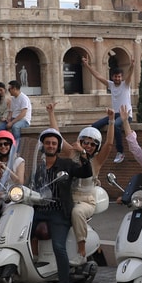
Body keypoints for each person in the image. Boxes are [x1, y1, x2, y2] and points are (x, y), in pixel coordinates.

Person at [29, 127, 93, 283]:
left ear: (57, 147)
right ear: (43, 145)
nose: (50, 145)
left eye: (53, 143)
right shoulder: (38, 167)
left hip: (58, 213)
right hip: (39, 211)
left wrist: (83, 155)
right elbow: (30, 185)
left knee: (59, 246)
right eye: (47, 143)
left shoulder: (66, 165)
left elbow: (85, 172)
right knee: (17, 234)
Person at [47, 103, 116, 264]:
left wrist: (111, 121)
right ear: (80, 142)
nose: (88, 146)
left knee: (77, 212)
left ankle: (81, 248)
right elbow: (57, 136)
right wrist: (51, 113)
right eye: (85, 142)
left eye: (92, 144)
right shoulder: (72, 153)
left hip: (86, 201)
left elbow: (110, 144)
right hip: (68, 199)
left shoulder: (97, 161)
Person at [80, 52, 135, 163]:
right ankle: (95, 149)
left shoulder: (125, 84)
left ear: (121, 77)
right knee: (94, 127)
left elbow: (129, 74)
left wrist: (132, 65)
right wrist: (87, 65)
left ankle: (120, 152)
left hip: (126, 115)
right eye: (115, 77)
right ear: (112, 77)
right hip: (115, 114)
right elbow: (97, 76)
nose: (117, 79)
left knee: (116, 126)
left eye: (119, 77)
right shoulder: (110, 84)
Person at [0, 129, 25, 200]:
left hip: (13, 197)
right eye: (0, 145)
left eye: (6, 144)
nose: (3, 146)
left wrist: (5, 168)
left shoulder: (18, 161)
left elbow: (20, 182)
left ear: (11, 145)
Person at [0, 80, 32, 146]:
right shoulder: (13, 98)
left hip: (23, 120)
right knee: (0, 127)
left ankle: (16, 149)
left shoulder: (24, 98)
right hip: (14, 119)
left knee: (15, 127)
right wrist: (8, 118)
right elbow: (11, 111)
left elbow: (23, 113)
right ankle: (5, 144)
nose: (8, 91)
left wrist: (12, 122)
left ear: (14, 89)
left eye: (9, 89)